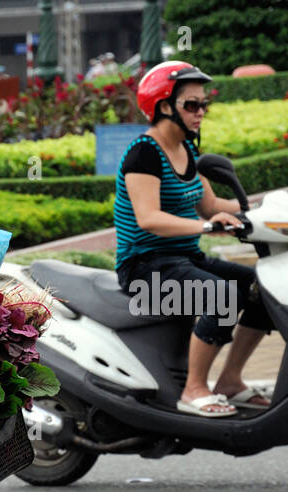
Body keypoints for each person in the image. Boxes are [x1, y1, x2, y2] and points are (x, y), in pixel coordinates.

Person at [114, 60, 274, 417]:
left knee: (263, 287)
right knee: (222, 295)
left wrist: (265, 206)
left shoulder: (188, 151)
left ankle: (230, 380)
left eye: (204, 104)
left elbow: (210, 205)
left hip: (183, 260)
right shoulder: (144, 153)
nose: (201, 112)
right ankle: (194, 390)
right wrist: (207, 228)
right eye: (192, 105)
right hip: (143, 267)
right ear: (164, 107)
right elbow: (149, 218)